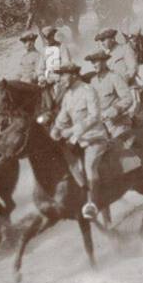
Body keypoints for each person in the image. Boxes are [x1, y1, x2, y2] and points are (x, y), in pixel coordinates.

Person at [50, 63, 109, 220]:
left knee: (90, 166)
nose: (61, 78)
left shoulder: (87, 90)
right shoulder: (68, 95)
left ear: (74, 75)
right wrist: (55, 130)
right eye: (60, 75)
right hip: (76, 140)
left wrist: (73, 130)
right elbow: (62, 117)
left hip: (94, 137)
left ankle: (92, 204)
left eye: (64, 75)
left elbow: (94, 116)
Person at [87, 50, 139, 138]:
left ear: (104, 62)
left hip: (119, 125)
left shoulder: (114, 77)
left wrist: (113, 111)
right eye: (92, 62)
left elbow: (127, 98)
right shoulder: (93, 81)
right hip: (103, 127)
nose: (94, 65)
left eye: (96, 62)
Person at [40, 26, 74, 92]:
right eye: (45, 37)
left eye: (49, 36)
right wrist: (41, 76)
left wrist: (57, 73)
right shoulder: (44, 50)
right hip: (48, 78)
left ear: (53, 35)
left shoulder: (61, 46)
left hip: (60, 76)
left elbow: (66, 62)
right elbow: (41, 67)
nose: (47, 39)